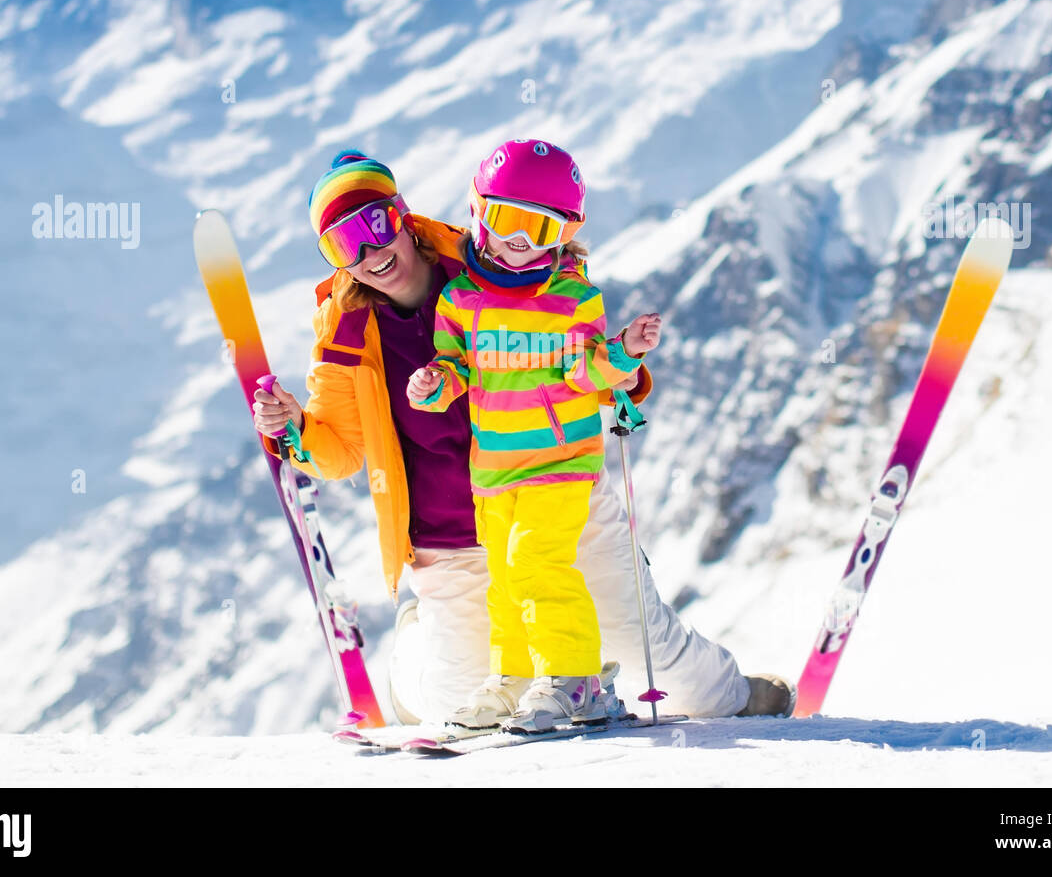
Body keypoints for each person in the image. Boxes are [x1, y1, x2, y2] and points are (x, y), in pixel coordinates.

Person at [253, 148, 796, 726]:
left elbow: (571, 340)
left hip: (558, 491)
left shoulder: (490, 259)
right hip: (453, 536)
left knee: (641, 645)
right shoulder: (346, 332)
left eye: (375, 226)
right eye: (343, 245)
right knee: (457, 701)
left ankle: (736, 696)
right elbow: (340, 452)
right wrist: (292, 430)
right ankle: (414, 653)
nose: (368, 253)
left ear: (402, 216)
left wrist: (620, 375)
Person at [405, 140, 662, 730]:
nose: (520, 241)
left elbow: (587, 370)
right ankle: (515, 678)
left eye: (539, 227)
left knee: (535, 561)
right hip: (493, 467)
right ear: (478, 213)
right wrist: (434, 383)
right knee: (505, 574)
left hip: (559, 461)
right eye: (508, 220)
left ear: (564, 233)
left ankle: (577, 680)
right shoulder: (460, 301)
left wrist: (624, 351)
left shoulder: (573, 299)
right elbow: (457, 368)